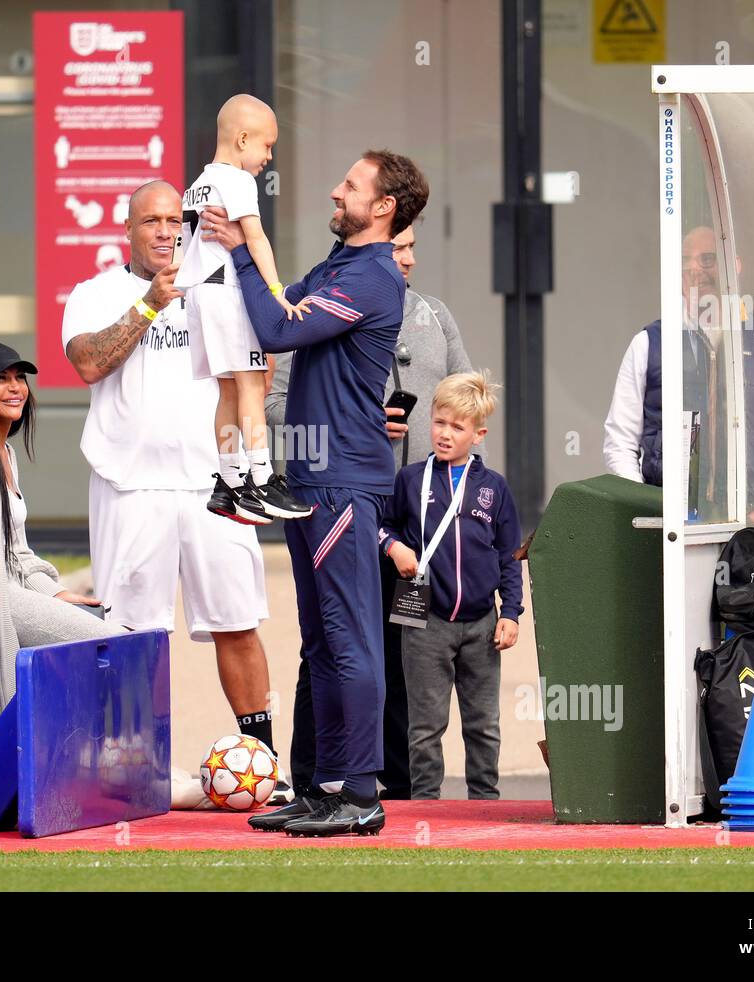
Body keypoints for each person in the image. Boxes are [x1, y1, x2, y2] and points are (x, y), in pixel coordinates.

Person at [203, 148, 430, 836]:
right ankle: (326, 786)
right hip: (311, 481)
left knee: (349, 636)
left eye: (351, 185)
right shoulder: (340, 266)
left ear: (383, 207)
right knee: (320, 643)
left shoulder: (371, 274)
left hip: (344, 481)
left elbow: (277, 327)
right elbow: (266, 313)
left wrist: (241, 247)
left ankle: (360, 794)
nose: (336, 189)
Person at [62, 180, 284, 793]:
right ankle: (135, 766)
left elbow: (256, 370)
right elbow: (87, 363)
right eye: (151, 221)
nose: (166, 230)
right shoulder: (96, 292)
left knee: (237, 622)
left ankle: (263, 763)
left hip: (215, 486)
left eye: (173, 220)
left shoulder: (218, 283)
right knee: (131, 632)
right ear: (128, 231)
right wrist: (151, 304)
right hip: (130, 486)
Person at [266, 221, 474, 800]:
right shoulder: (322, 307)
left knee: (403, 642)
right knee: (333, 643)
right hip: (344, 497)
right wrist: (359, 423)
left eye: (410, 249)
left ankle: (400, 787)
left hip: (418, 515)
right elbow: (279, 403)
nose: (404, 259)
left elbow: (467, 392)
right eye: (396, 248)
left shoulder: (435, 315)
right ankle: (315, 776)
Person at [0, 343, 121, 707]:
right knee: (110, 644)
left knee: (110, 639)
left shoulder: (4, 452)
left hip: (8, 591)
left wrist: (55, 594)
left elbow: (16, 550)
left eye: (19, 378)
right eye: (1, 379)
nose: (15, 388)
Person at [603, 225, 754, 525]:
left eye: (707, 259)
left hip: (753, 524)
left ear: (735, 266)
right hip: (667, 527)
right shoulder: (649, 343)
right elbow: (620, 441)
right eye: (684, 261)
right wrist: (648, 510)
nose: (693, 269)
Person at [379, 371, 523, 799]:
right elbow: (379, 525)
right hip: (425, 620)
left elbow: (509, 555)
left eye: (457, 428)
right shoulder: (409, 480)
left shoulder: (493, 488)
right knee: (425, 724)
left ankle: (486, 801)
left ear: (477, 435)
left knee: (484, 724)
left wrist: (511, 613)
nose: (445, 434)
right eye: (439, 423)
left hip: (482, 623)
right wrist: (393, 548)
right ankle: (427, 803)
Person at [176, 94, 312, 525]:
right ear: (242, 139)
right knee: (253, 384)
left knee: (228, 391)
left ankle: (230, 482)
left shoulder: (194, 185)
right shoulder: (237, 181)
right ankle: (263, 478)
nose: (268, 158)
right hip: (225, 292)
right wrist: (276, 291)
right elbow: (256, 239)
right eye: (266, 146)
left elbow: (179, 248)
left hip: (196, 294)